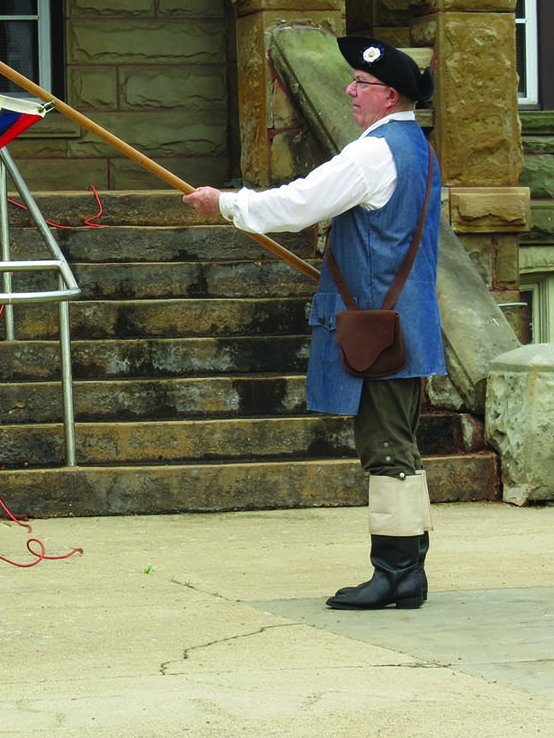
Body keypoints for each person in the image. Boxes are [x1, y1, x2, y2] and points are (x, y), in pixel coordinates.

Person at [184, 35, 444, 610]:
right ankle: (405, 574)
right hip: (401, 320)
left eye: (363, 84)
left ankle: (397, 574)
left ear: (390, 95)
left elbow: (299, 203)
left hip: (381, 325)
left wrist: (226, 204)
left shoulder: (374, 152)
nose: (351, 91)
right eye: (353, 81)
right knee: (394, 445)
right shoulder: (414, 147)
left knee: (387, 448)